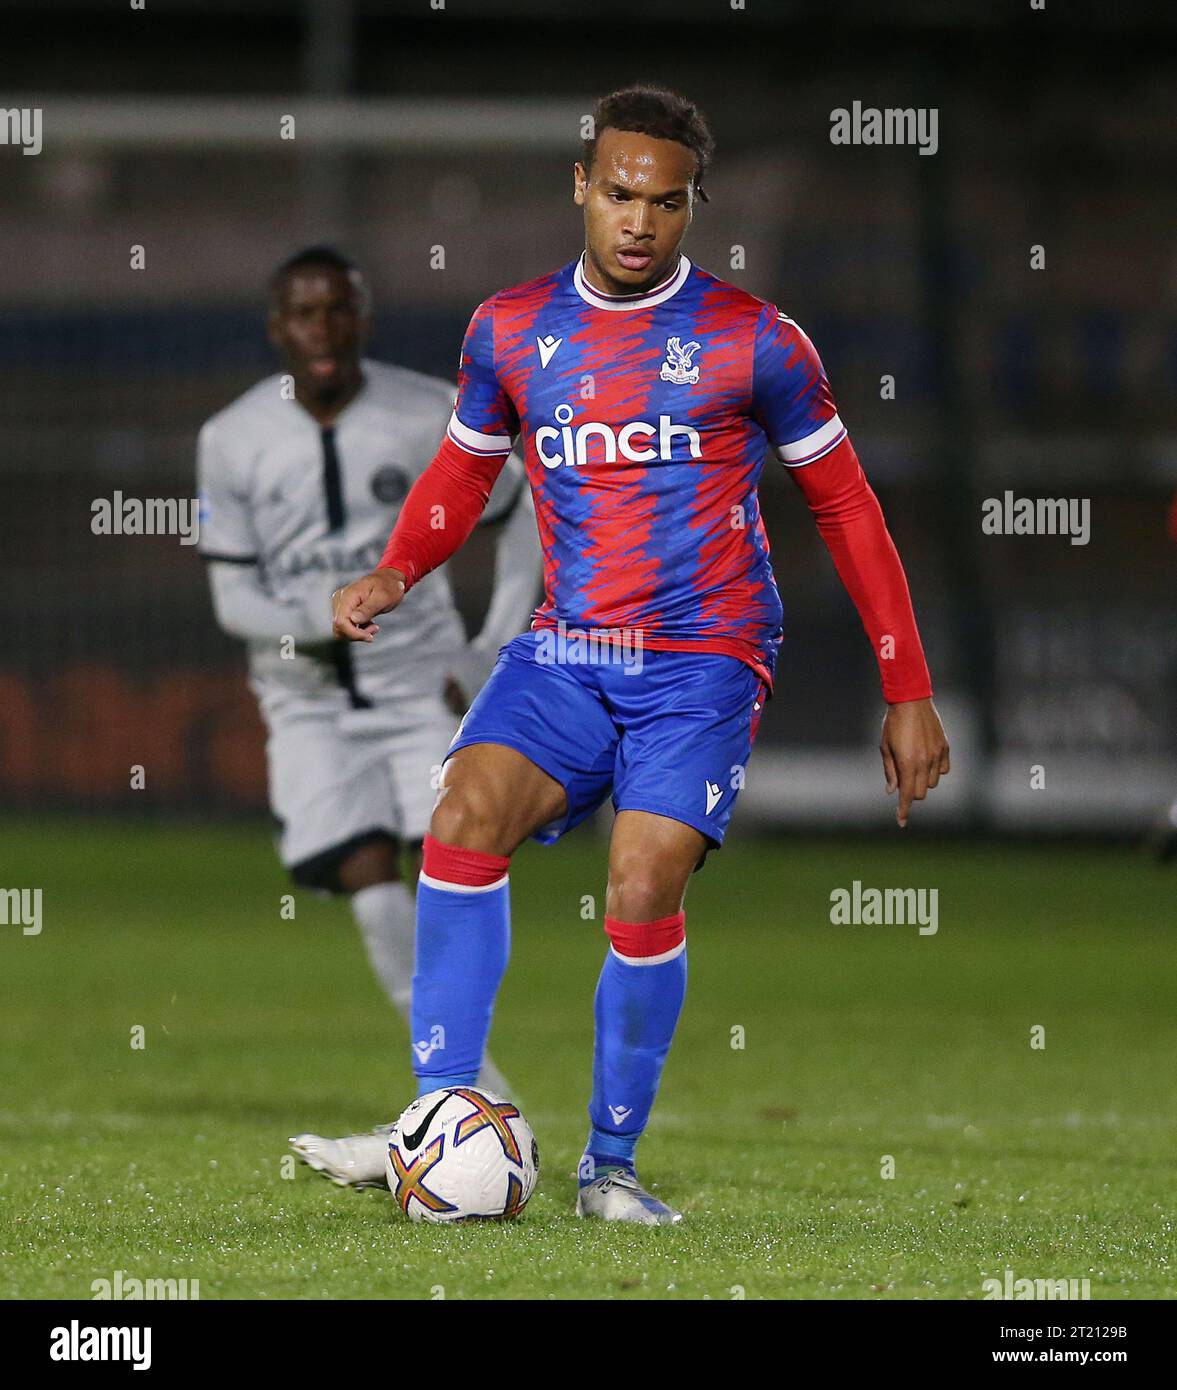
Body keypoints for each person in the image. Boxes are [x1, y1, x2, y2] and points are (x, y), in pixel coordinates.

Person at [329, 86, 950, 1222]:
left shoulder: (755, 341)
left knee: (643, 875)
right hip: (567, 651)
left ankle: (607, 1168)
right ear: (581, 184)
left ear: (691, 206)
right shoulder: (510, 328)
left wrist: (906, 688)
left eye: (663, 203)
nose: (637, 221)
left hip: (702, 659)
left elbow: (847, 506)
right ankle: (438, 1117)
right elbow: (466, 470)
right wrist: (394, 570)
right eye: (618, 194)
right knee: (464, 808)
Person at [196, 246, 541, 1183]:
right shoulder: (231, 439)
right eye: (302, 314)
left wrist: (493, 649)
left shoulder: (428, 408)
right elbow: (235, 603)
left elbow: (528, 520)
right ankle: (482, 1107)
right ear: (277, 326)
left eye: (338, 311)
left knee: (454, 865)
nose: (321, 329)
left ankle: (466, 1105)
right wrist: (322, 623)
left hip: (416, 688)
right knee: (364, 873)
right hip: (302, 704)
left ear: (362, 317)